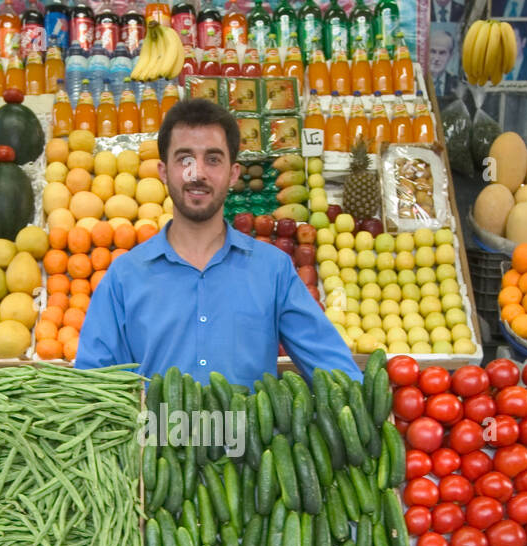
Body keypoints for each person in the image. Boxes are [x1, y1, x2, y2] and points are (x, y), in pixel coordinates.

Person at [74, 98, 362, 386]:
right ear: (163, 172)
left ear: (233, 174)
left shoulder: (273, 270)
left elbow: (336, 373)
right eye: (184, 158)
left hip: (245, 433)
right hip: (155, 432)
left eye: (213, 159)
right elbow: (91, 386)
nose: (197, 173)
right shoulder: (124, 276)